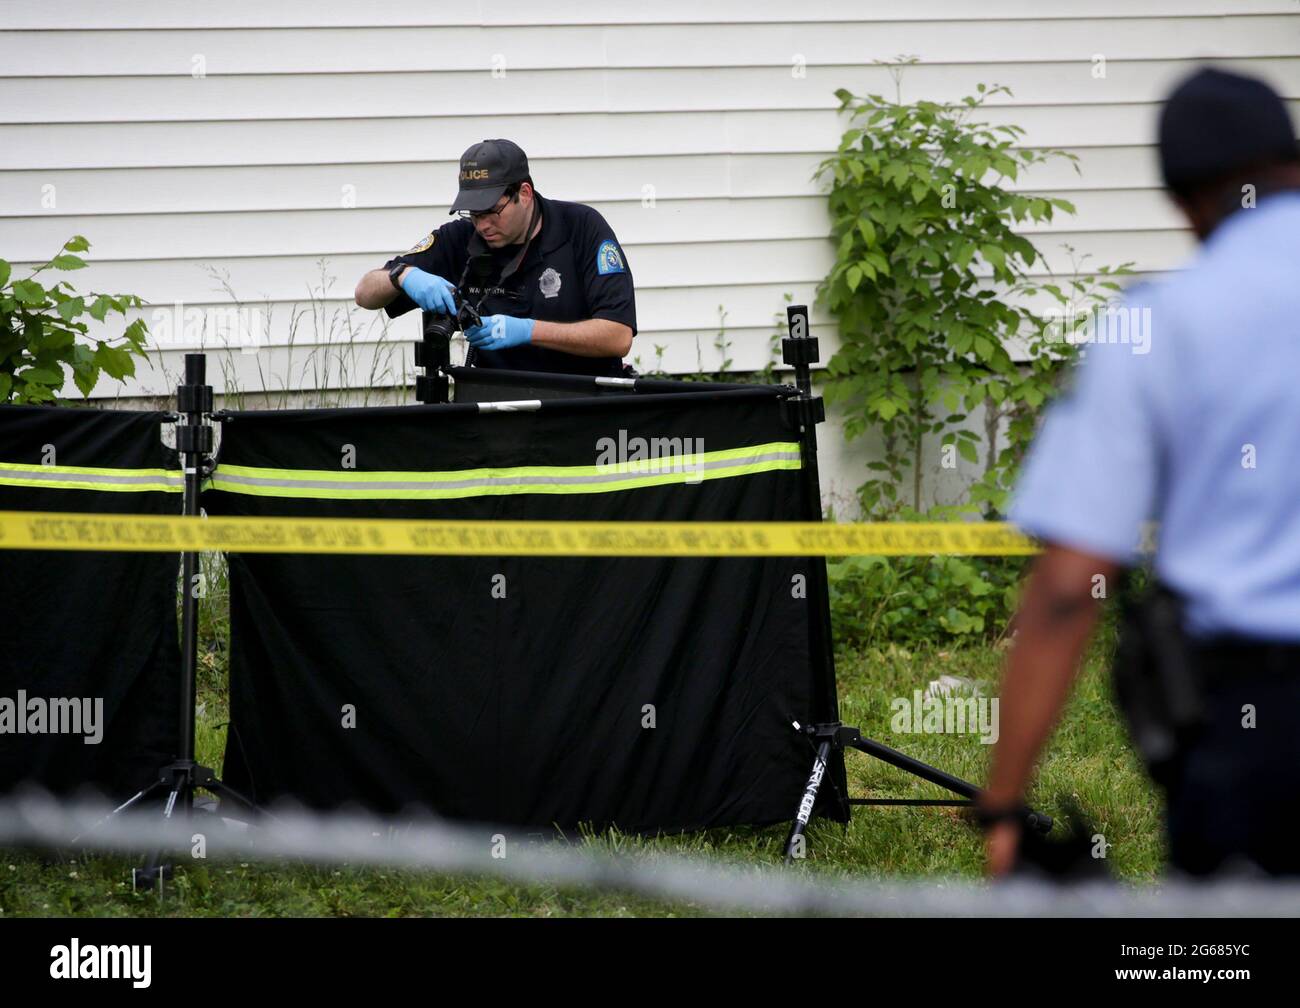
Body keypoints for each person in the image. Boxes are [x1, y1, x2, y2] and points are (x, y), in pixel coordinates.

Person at [978, 67, 1300, 877]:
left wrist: (1005, 804)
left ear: (1182, 200)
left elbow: (1068, 586)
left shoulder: (1158, 325)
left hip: (1254, 728)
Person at [354, 138, 636, 377]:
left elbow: (618, 336)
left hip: (583, 400)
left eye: (491, 212)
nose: (482, 225)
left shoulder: (581, 228)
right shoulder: (460, 238)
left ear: (524, 193)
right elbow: (365, 294)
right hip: (497, 404)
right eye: (473, 214)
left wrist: (528, 331)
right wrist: (403, 276)